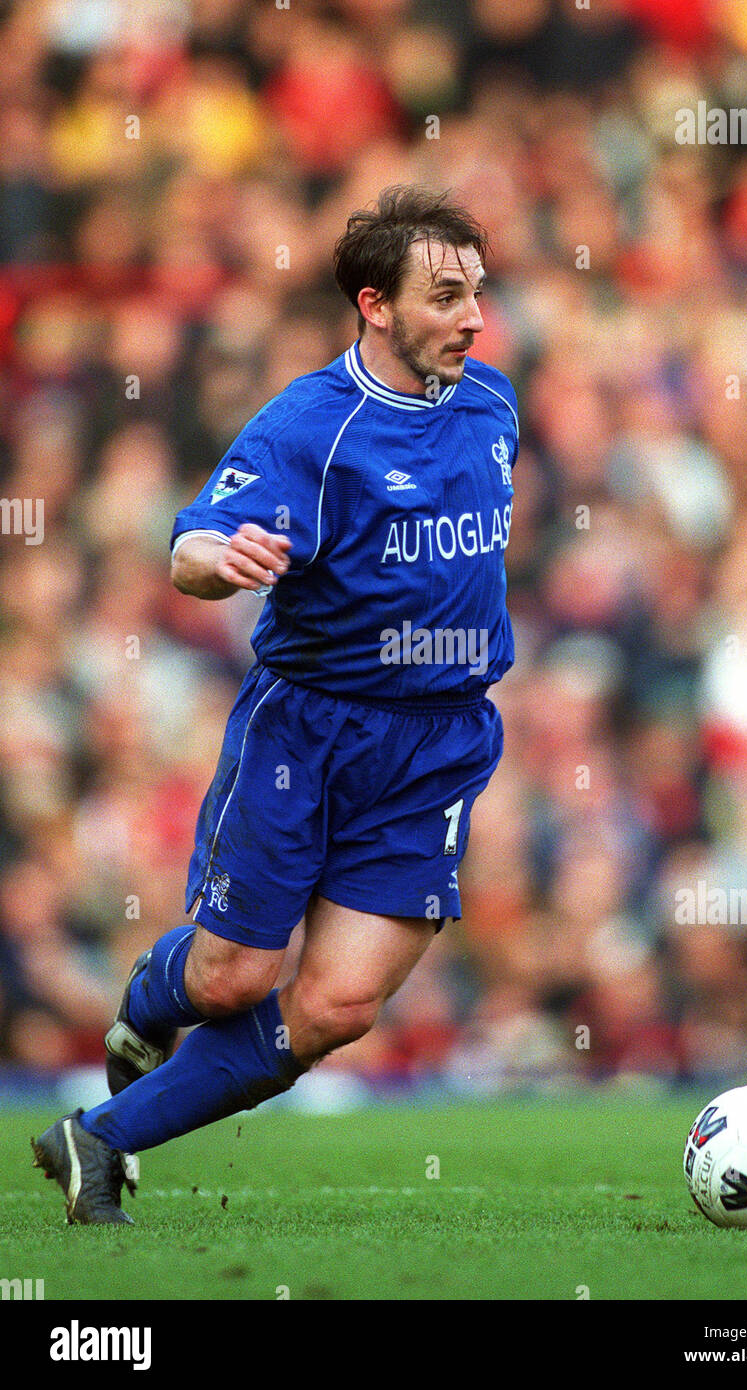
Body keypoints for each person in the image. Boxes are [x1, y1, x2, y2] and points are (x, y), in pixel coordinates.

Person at [32, 185, 519, 1224]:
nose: (472, 315)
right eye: (445, 295)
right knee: (230, 981)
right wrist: (222, 559)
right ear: (373, 304)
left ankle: (96, 1141)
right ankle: (151, 992)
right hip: (307, 728)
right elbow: (190, 551)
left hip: (439, 743)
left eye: (476, 290)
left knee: (338, 1004)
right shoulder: (309, 425)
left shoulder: (492, 407)